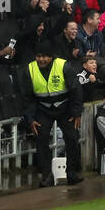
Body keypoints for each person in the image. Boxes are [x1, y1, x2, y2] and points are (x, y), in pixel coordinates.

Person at [19, 49, 84, 186]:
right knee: (41, 139)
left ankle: (72, 173)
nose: (41, 59)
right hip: (43, 109)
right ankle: (47, 176)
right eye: (38, 55)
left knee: (72, 137)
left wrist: (76, 112)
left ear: (51, 57)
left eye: (44, 56)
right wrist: (30, 118)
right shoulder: (29, 69)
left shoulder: (64, 66)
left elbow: (76, 90)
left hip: (65, 108)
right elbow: (26, 97)